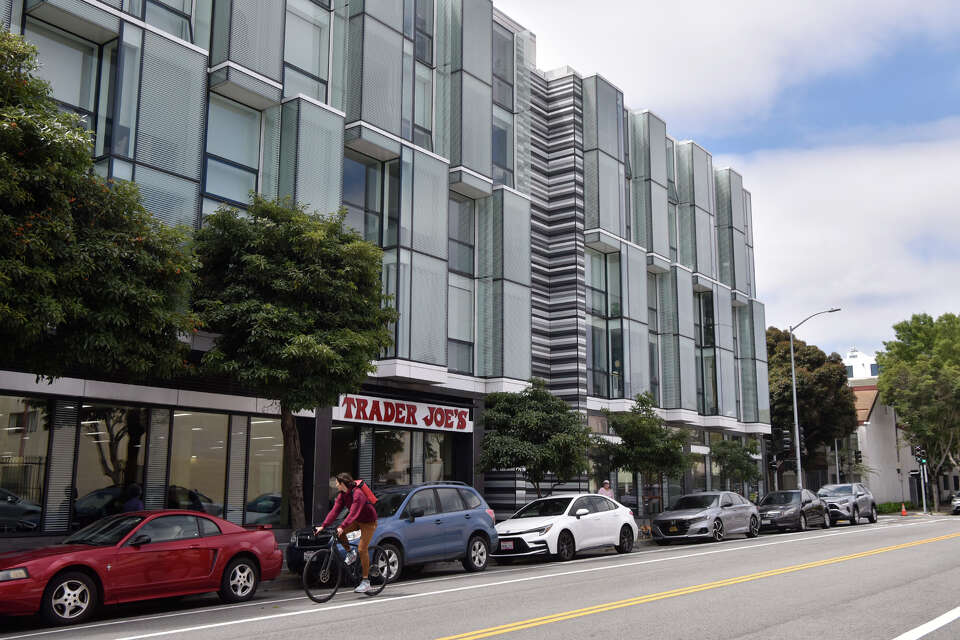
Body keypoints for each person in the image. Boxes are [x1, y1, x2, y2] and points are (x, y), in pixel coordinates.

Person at [316, 472, 378, 593]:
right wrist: (323, 526)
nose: (335, 485)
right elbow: (334, 511)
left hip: (369, 522)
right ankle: (350, 553)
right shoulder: (342, 495)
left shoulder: (358, 494)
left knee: (362, 549)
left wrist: (342, 526)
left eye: (337, 483)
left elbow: (353, 513)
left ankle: (366, 582)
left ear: (342, 483)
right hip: (357, 520)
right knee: (338, 533)